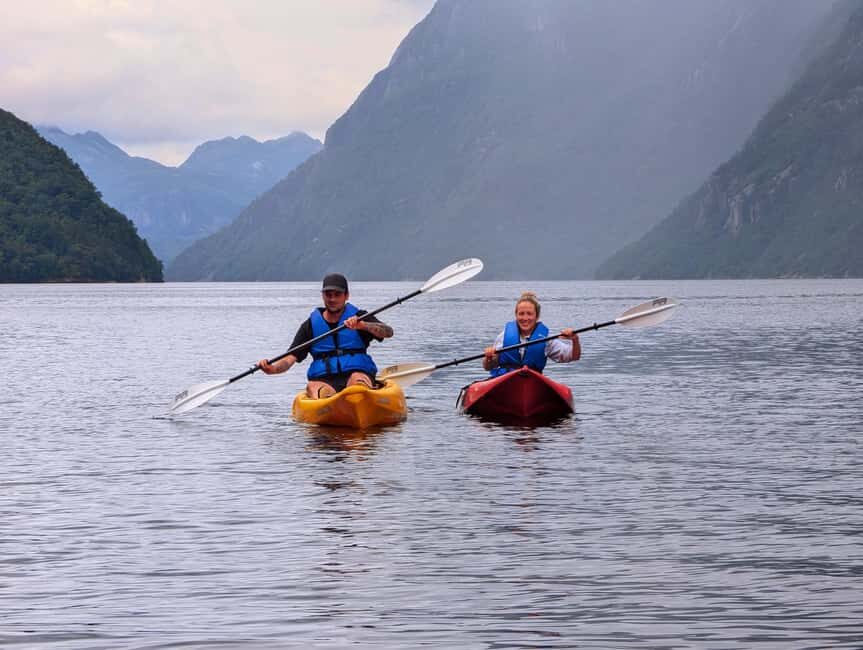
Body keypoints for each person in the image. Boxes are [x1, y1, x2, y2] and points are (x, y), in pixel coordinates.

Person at [258, 273, 393, 398]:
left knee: (357, 382)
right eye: (328, 294)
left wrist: (363, 326)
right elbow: (289, 359)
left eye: (337, 294)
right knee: (313, 386)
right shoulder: (310, 326)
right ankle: (331, 408)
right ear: (323, 296)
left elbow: (388, 332)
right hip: (325, 380)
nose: (332, 299)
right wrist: (273, 369)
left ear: (346, 296)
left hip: (357, 373)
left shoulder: (359, 317)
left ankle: (360, 399)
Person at [482, 291, 580, 376]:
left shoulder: (545, 339)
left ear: (536, 316)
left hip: (532, 381)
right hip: (506, 381)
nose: (525, 318)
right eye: (521, 314)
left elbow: (574, 356)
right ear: (516, 315)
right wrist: (489, 358)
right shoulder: (503, 337)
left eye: (529, 314)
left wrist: (575, 339)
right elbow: (488, 367)